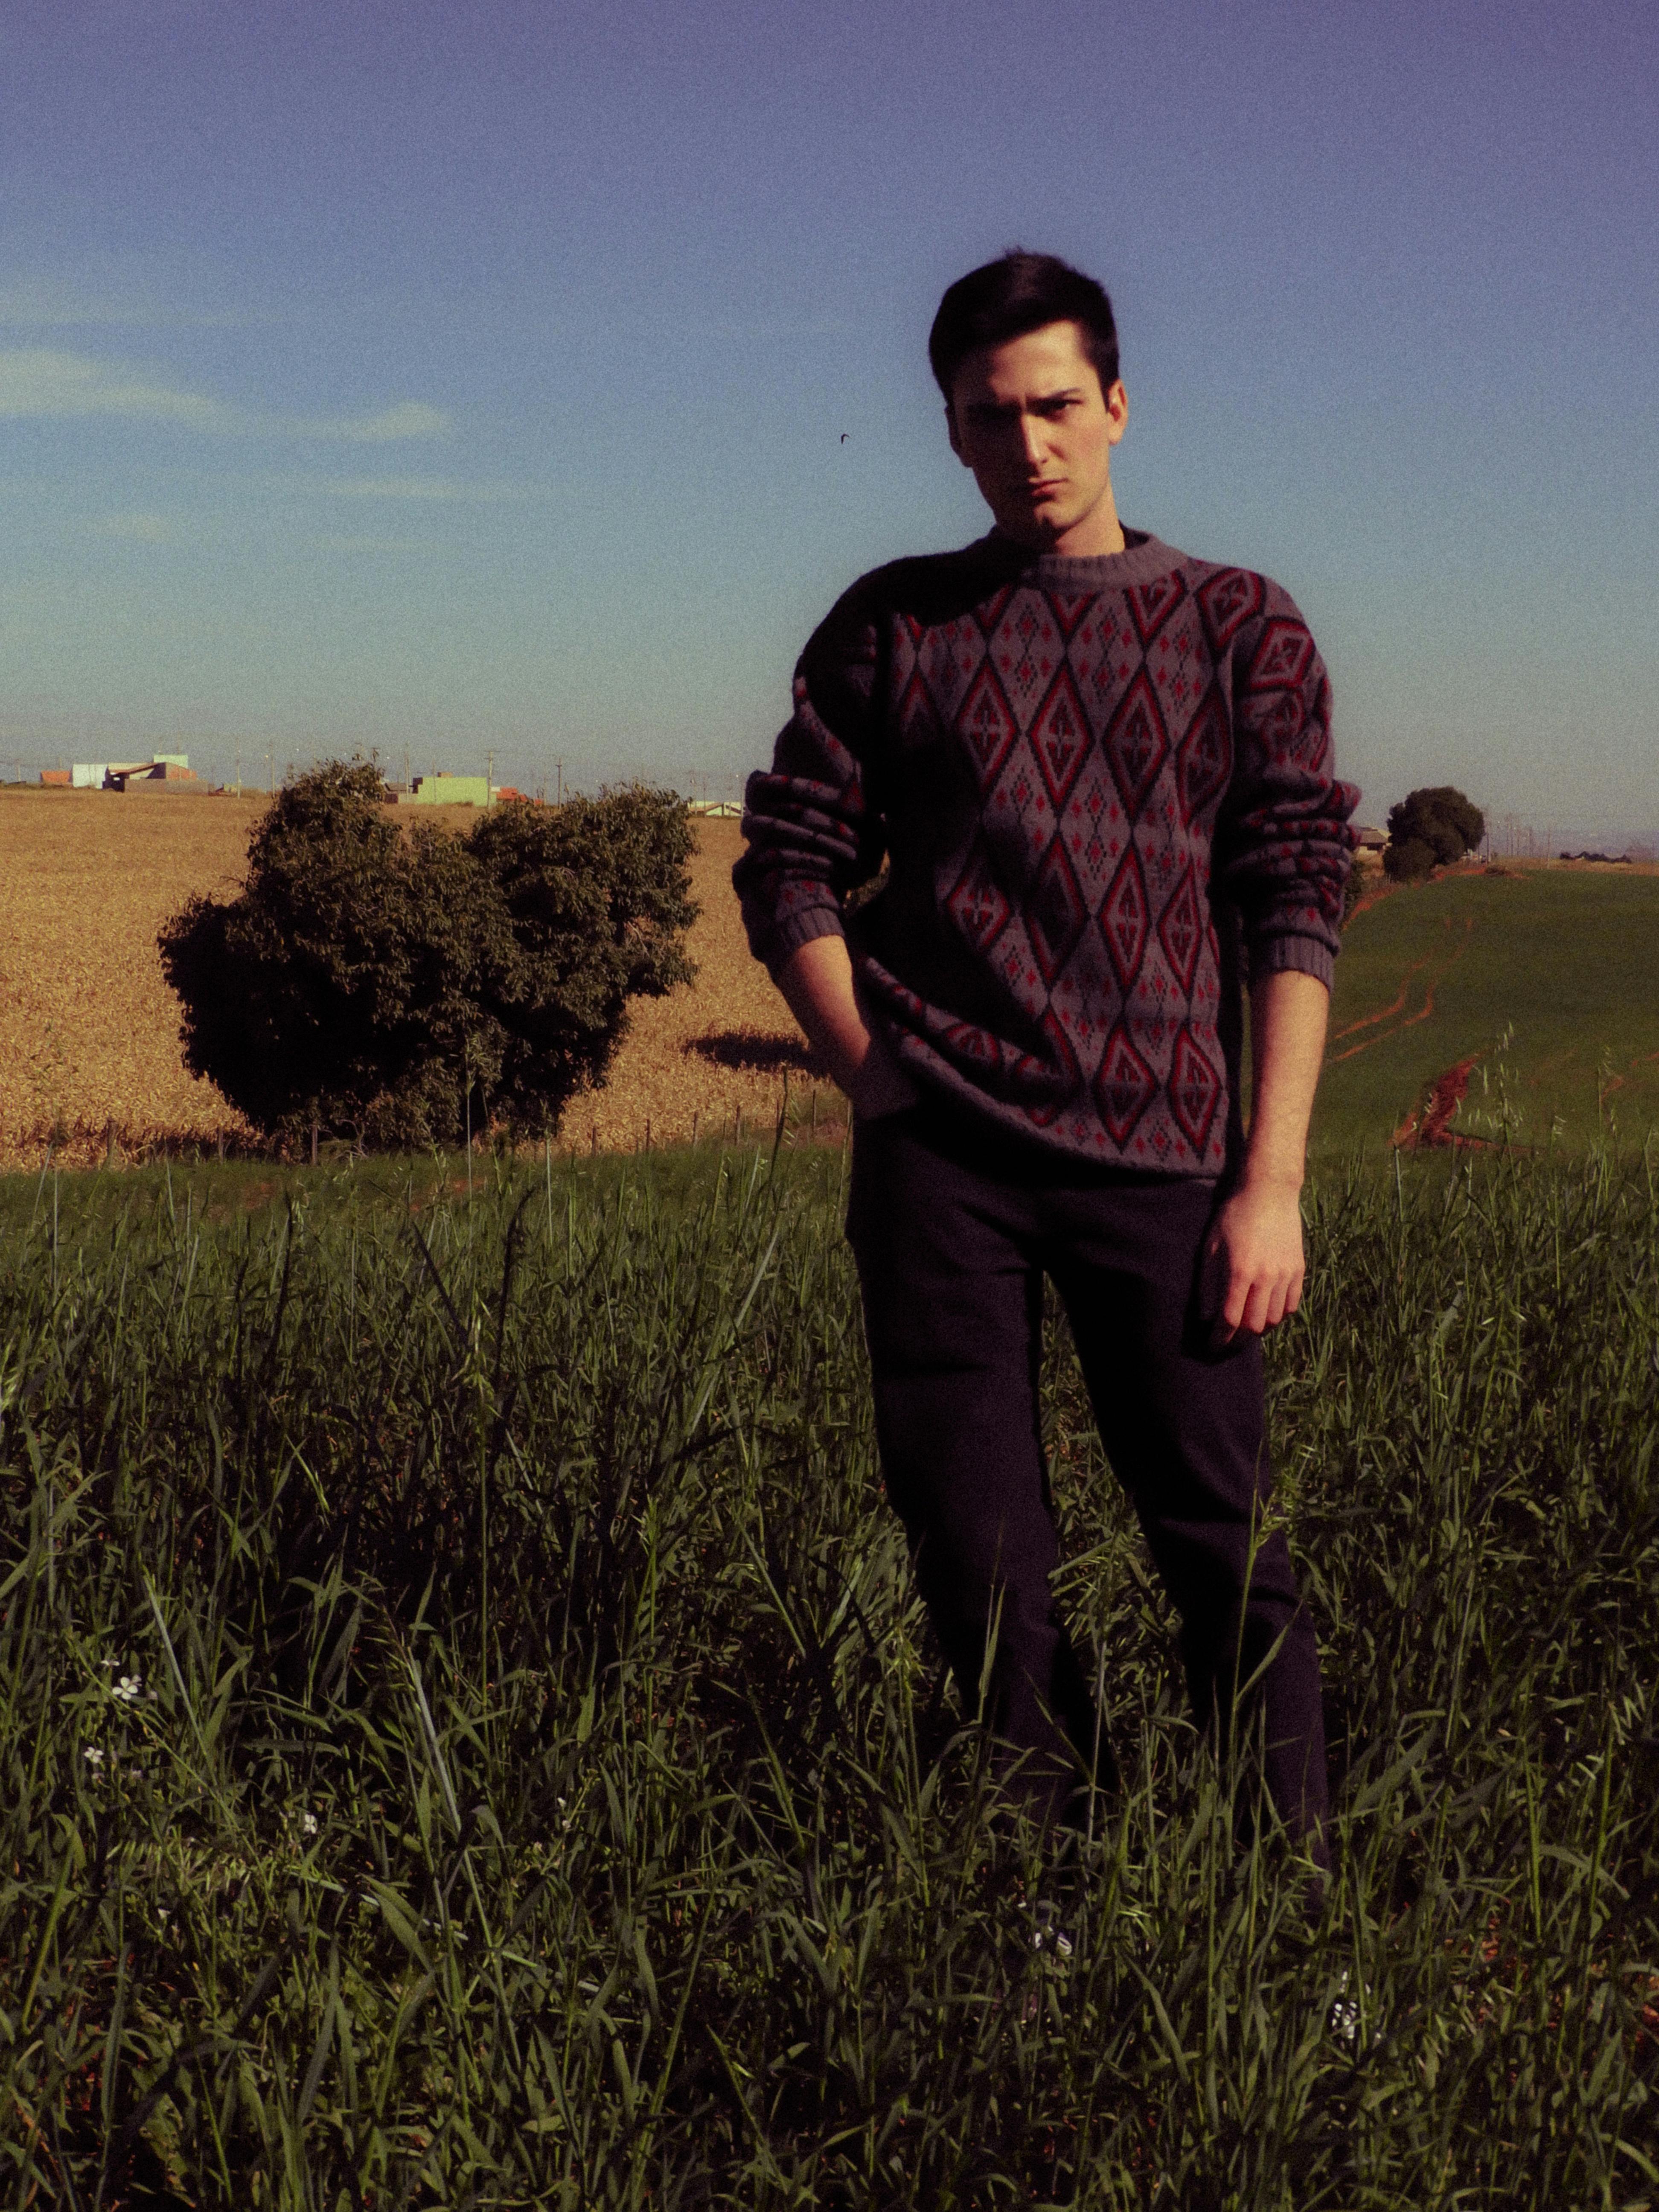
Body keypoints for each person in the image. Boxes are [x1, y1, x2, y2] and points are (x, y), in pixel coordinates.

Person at [733, 250, 1357, 1861]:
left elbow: (1296, 896)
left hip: (1169, 1169)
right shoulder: (895, 625)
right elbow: (789, 860)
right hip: (942, 1167)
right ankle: (1039, 1893)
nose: (1030, 446)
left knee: (1220, 1540)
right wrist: (873, 1074)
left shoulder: (1239, 625)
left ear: (1120, 406)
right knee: (978, 1553)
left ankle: (1290, 1909)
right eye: (990, 416)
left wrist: (1272, 1181)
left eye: (1059, 406)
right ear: (951, 430)